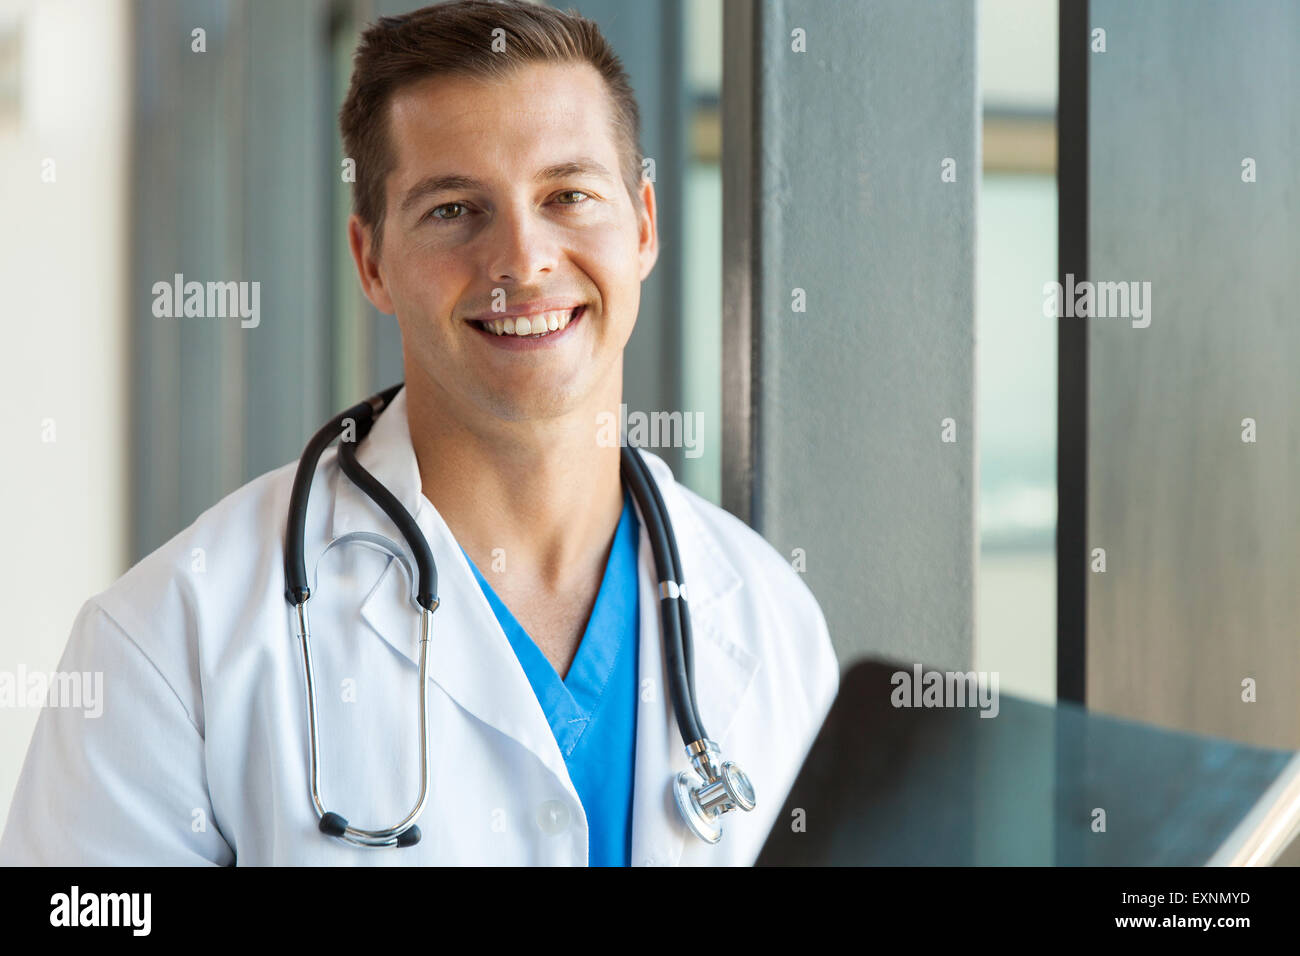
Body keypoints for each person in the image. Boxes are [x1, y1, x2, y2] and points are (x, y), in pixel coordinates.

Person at [0, 0, 837, 866]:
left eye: (569, 195)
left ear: (644, 227)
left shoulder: (770, 619)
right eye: (454, 209)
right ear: (371, 262)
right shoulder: (173, 643)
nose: (522, 261)